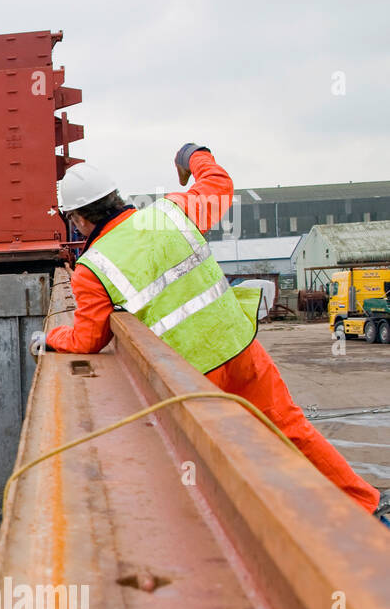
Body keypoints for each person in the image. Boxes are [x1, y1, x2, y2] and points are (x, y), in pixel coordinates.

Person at [46, 144, 383, 519]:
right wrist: (192, 155)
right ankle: (362, 507)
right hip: (239, 348)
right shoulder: (172, 213)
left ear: (77, 219)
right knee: (291, 429)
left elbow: (87, 339)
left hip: (189, 376)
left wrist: (50, 338)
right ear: (115, 197)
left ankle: (265, 531)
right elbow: (219, 183)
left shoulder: (93, 269)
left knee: (214, 457)